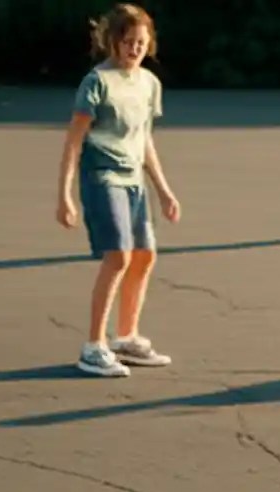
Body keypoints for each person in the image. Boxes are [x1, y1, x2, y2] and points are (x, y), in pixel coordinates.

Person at [56, 2, 180, 378]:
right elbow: (74, 142)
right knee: (119, 257)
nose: (135, 49)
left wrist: (164, 191)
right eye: (128, 42)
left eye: (141, 42)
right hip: (102, 178)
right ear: (113, 42)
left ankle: (126, 337)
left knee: (144, 256)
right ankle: (93, 346)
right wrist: (64, 195)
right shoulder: (97, 82)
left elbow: (144, 142)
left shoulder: (148, 84)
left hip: (134, 181)